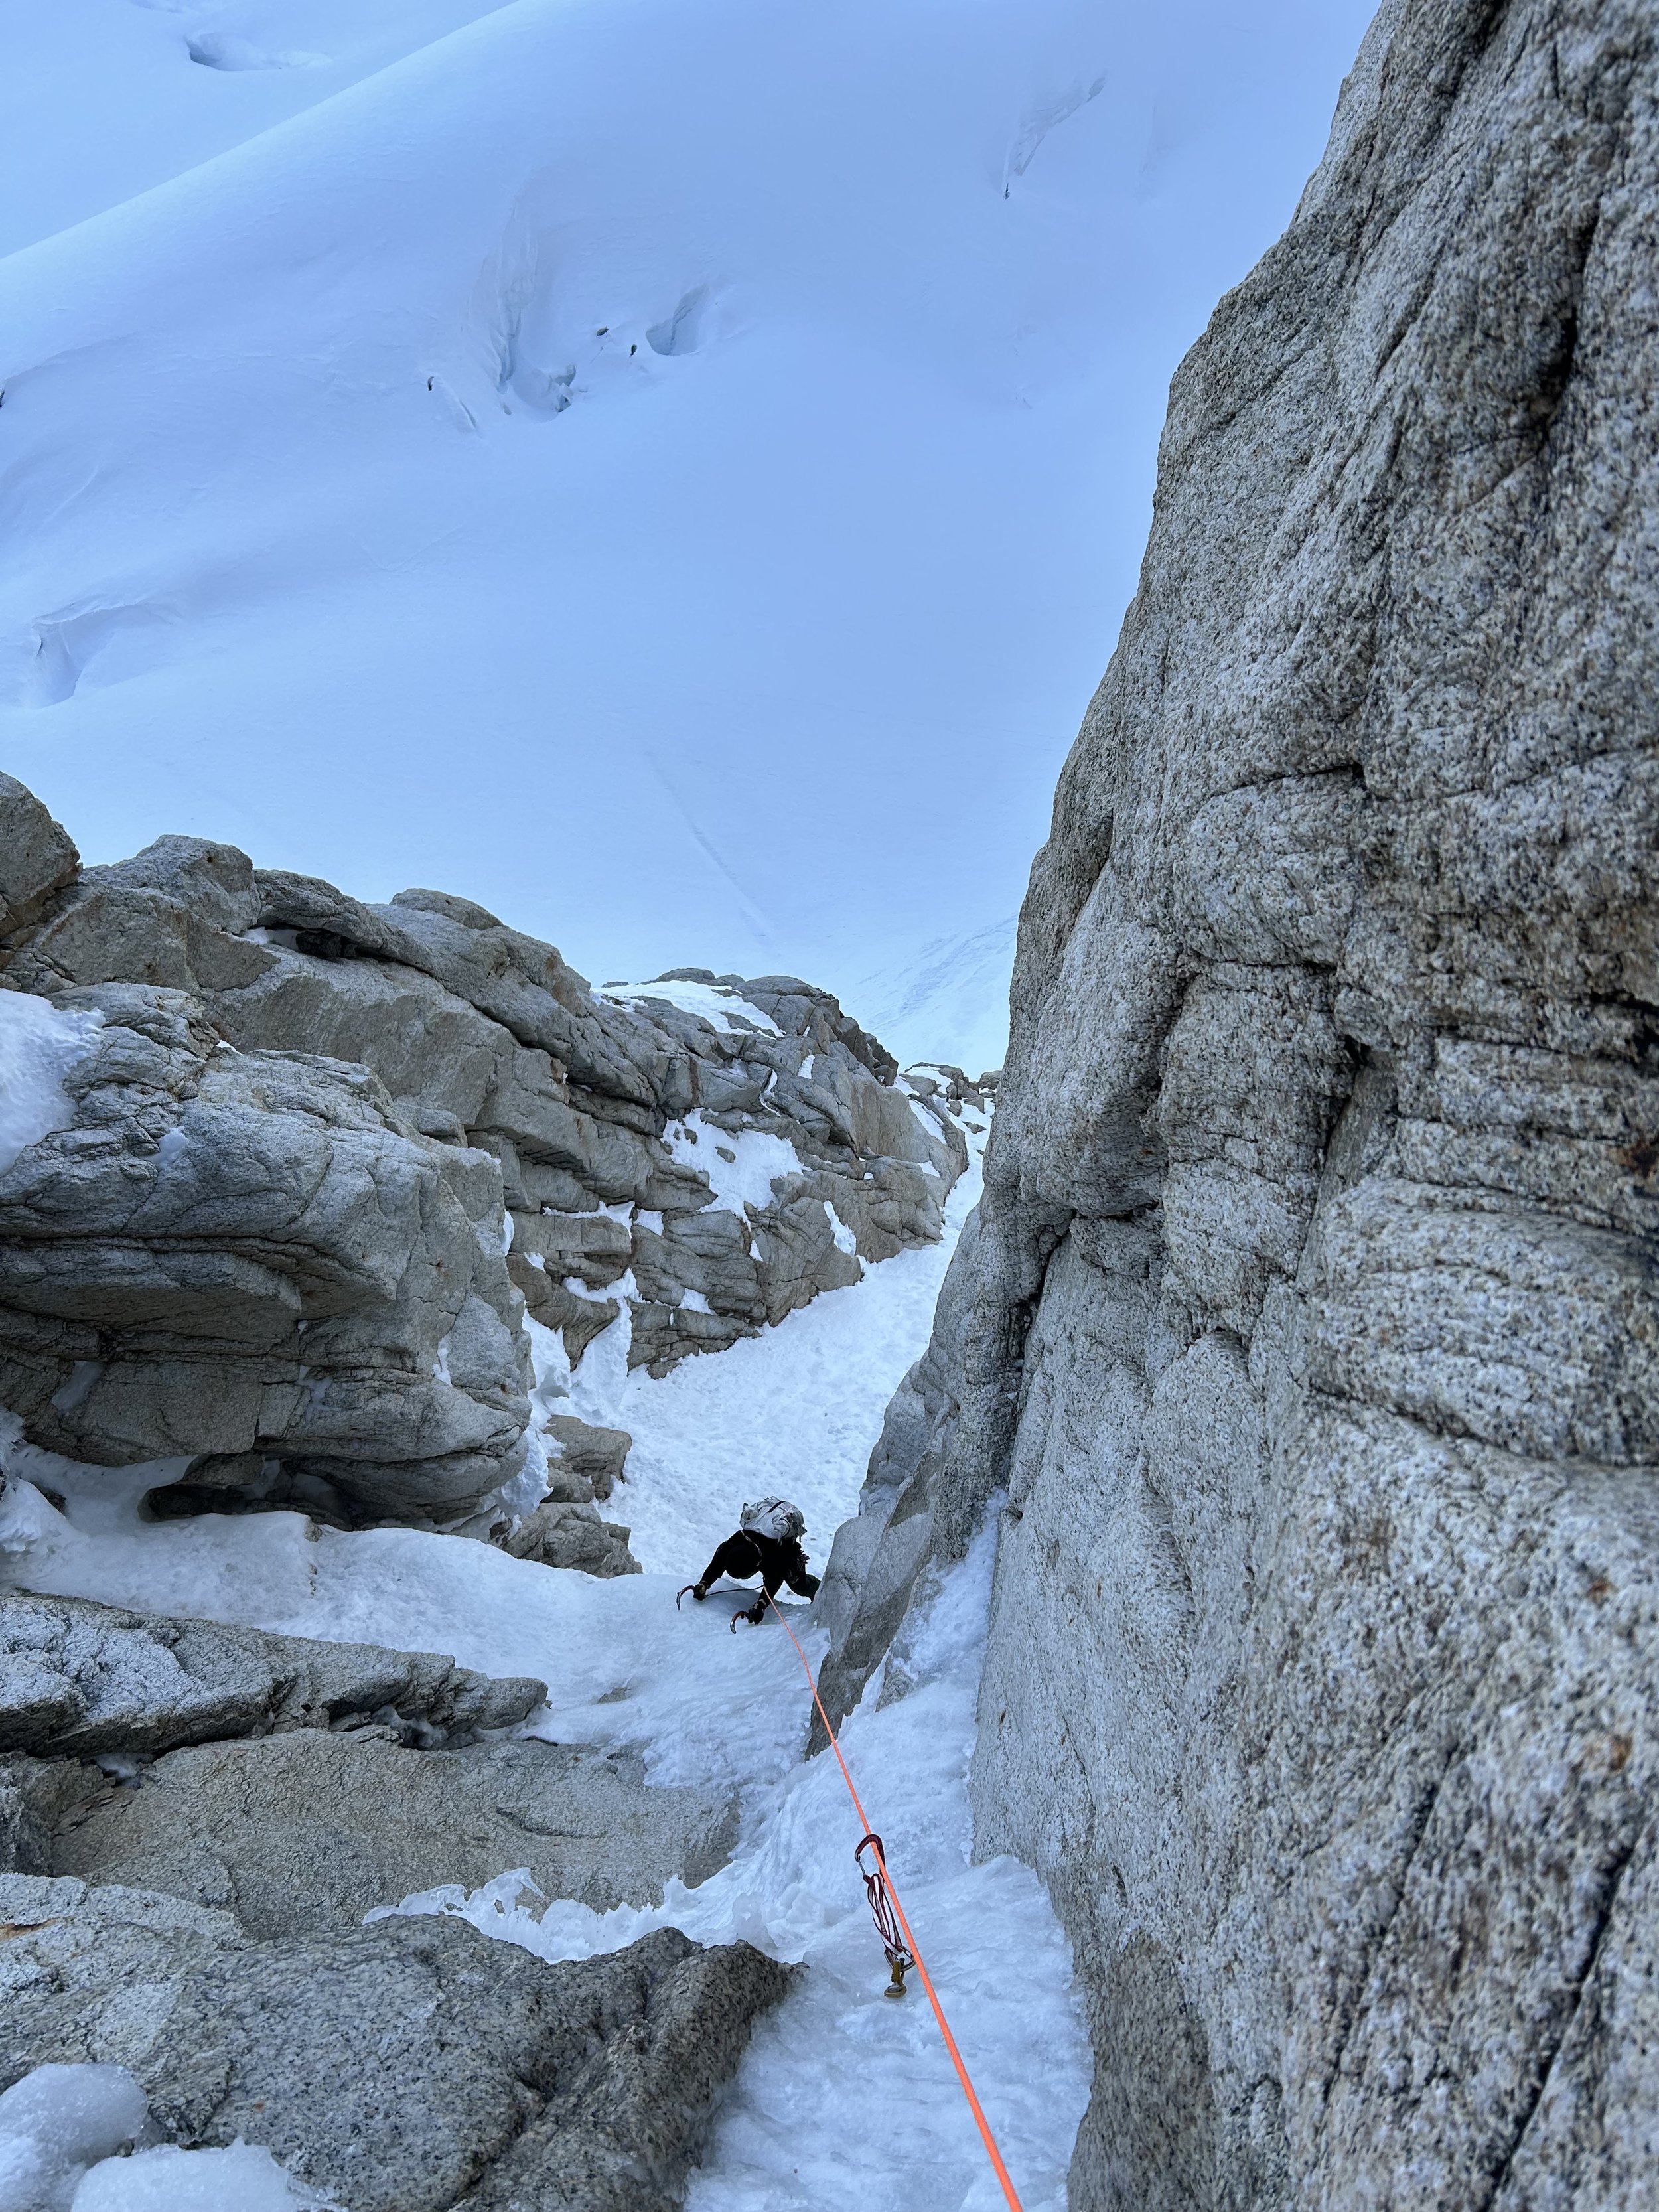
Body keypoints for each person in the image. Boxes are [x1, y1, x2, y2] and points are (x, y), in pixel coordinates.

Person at [679, 1496, 820, 1627]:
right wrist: (705, 1583)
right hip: (765, 1543)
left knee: (799, 1585)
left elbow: (774, 1581)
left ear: (756, 1565)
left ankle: (821, 1590)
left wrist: (761, 1604)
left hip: (785, 1551)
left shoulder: (774, 1557)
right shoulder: (732, 1545)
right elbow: (718, 1563)